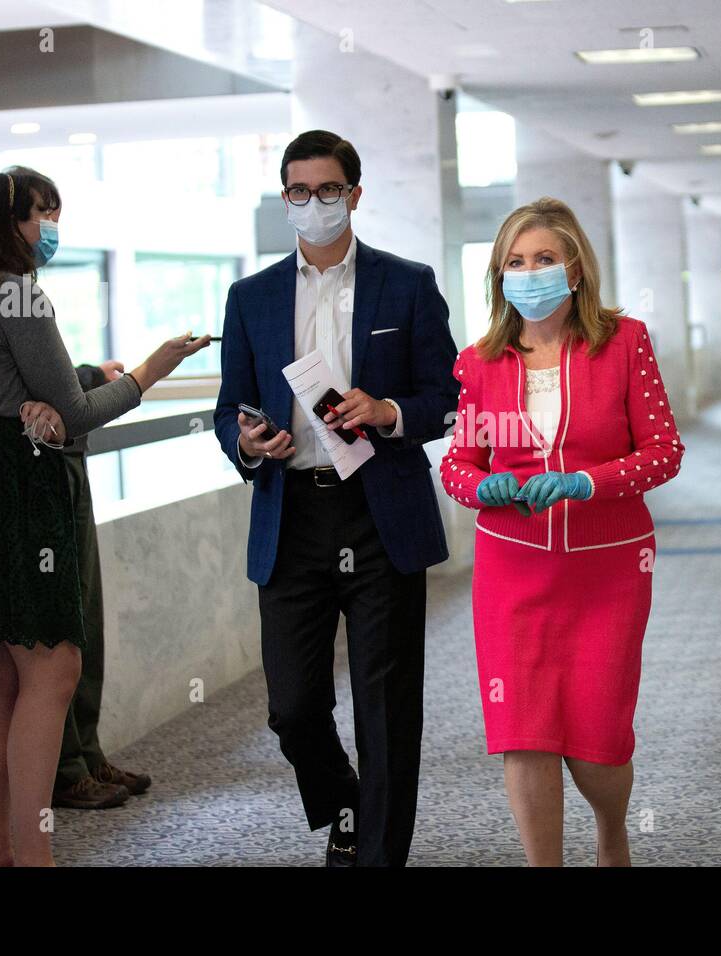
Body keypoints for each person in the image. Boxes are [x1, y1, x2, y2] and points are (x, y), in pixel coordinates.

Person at [0, 166, 209, 866]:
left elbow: (10, 392)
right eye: (42, 214)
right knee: (54, 669)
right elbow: (77, 419)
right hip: (16, 486)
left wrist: (70, 387)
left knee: (3, 676)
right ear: (9, 221)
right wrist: (151, 370)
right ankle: (36, 856)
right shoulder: (19, 292)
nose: (50, 228)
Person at [213, 130, 459, 867]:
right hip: (292, 512)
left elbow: (447, 399)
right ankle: (344, 801)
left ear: (354, 193)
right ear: (283, 198)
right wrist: (246, 440)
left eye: (327, 190)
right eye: (298, 192)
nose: (313, 204)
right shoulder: (250, 297)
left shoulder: (406, 283)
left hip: (380, 508)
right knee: (293, 706)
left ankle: (380, 854)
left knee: (385, 704)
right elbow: (231, 408)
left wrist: (387, 411)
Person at [439, 197, 684, 866]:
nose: (529, 272)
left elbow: (664, 452)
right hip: (512, 571)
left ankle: (612, 832)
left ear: (575, 271)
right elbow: (458, 463)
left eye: (544, 259)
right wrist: (477, 486)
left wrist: (588, 481)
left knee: (597, 741)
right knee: (524, 733)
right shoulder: (479, 361)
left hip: (609, 567)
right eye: (514, 262)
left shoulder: (624, 342)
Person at [47, 361, 153, 810]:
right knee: (60, 629)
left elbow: (53, 383)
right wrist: (141, 373)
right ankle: (67, 768)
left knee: (87, 620)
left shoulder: (19, 294)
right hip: (36, 469)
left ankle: (86, 755)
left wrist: (88, 375)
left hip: (66, 452)